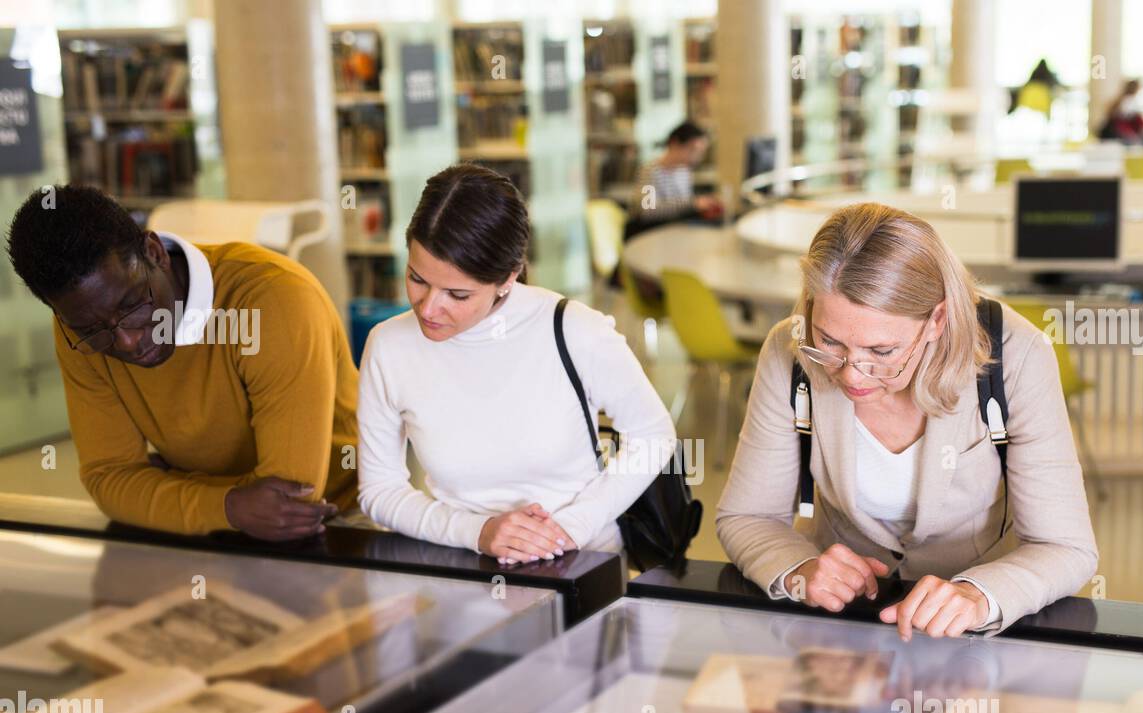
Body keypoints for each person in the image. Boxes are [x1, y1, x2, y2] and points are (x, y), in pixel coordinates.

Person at [716, 202, 1098, 640]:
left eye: (881, 353)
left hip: (974, 637)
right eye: (831, 342)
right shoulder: (791, 349)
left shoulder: (1016, 356)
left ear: (937, 318)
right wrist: (801, 569)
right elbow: (747, 516)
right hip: (844, 632)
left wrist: (978, 595)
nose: (850, 374)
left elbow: (1066, 548)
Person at [357, 163, 675, 563]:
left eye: (457, 294)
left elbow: (654, 435)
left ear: (508, 278)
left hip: (582, 564)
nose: (429, 308)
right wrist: (479, 531)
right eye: (417, 279)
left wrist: (571, 526)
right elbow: (379, 489)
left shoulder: (575, 330)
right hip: (463, 569)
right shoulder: (388, 347)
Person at [6, 185, 358, 541]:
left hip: (346, 523)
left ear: (154, 252)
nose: (127, 340)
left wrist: (170, 487)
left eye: (132, 304)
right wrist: (230, 505)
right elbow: (109, 479)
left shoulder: (274, 300)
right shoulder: (80, 329)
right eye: (92, 328)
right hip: (223, 532)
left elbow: (290, 500)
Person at [624, 121, 723, 240]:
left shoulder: (683, 172)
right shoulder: (650, 171)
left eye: (701, 152)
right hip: (648, 234)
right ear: (674, 143)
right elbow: (647, 209)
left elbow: (682, 207)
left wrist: (698, 205)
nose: (697, 157)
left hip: (672, 232)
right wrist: (693, 204)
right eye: (693, 149)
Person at [1098, 80, 1143, 145]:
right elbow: (1131, 119)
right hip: (1116, 134)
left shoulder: (1120, 100)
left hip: (1109, 133)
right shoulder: (1129, 101)